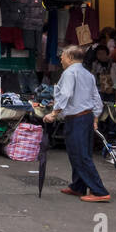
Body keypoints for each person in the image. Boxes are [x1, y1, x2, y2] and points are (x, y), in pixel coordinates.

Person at [37, 46, 109, 202]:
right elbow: (96, 98)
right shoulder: (87, 74)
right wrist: (95, 117)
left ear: (69, 56)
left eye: (62, 55)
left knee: (81, 155)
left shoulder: (70, 73)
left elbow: (66, 94)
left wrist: (54, 113)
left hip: (77, 118)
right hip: (85, 117)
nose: (61, 59)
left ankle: (99, 190)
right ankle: (78, 186)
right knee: (78, 153)